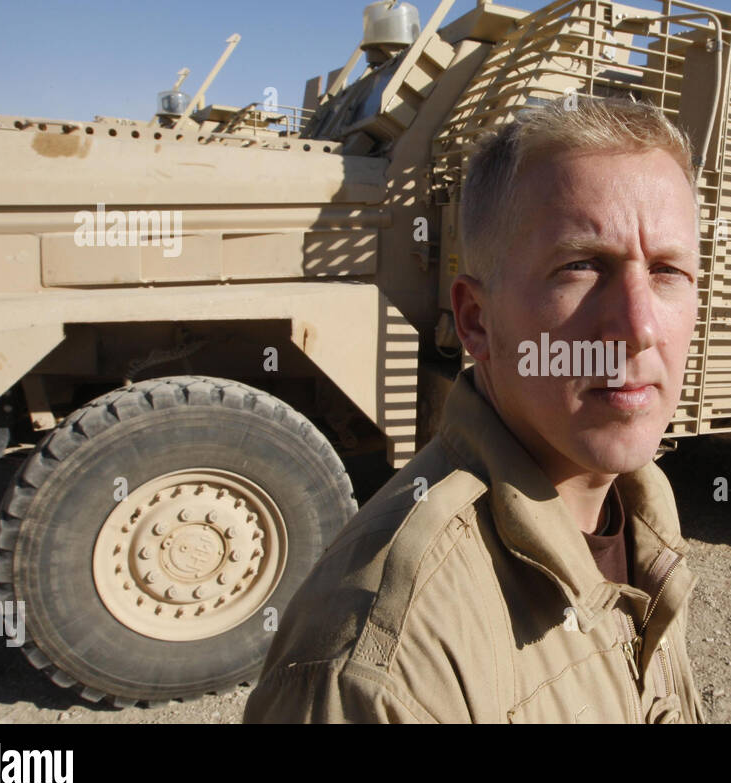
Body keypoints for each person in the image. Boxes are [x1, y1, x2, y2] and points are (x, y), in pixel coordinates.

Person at [244, 97, 704, 723]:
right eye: (580, 267)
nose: (639, 326)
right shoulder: (385, 668)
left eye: (668, 271)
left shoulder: (642, 512)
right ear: (476, 320)